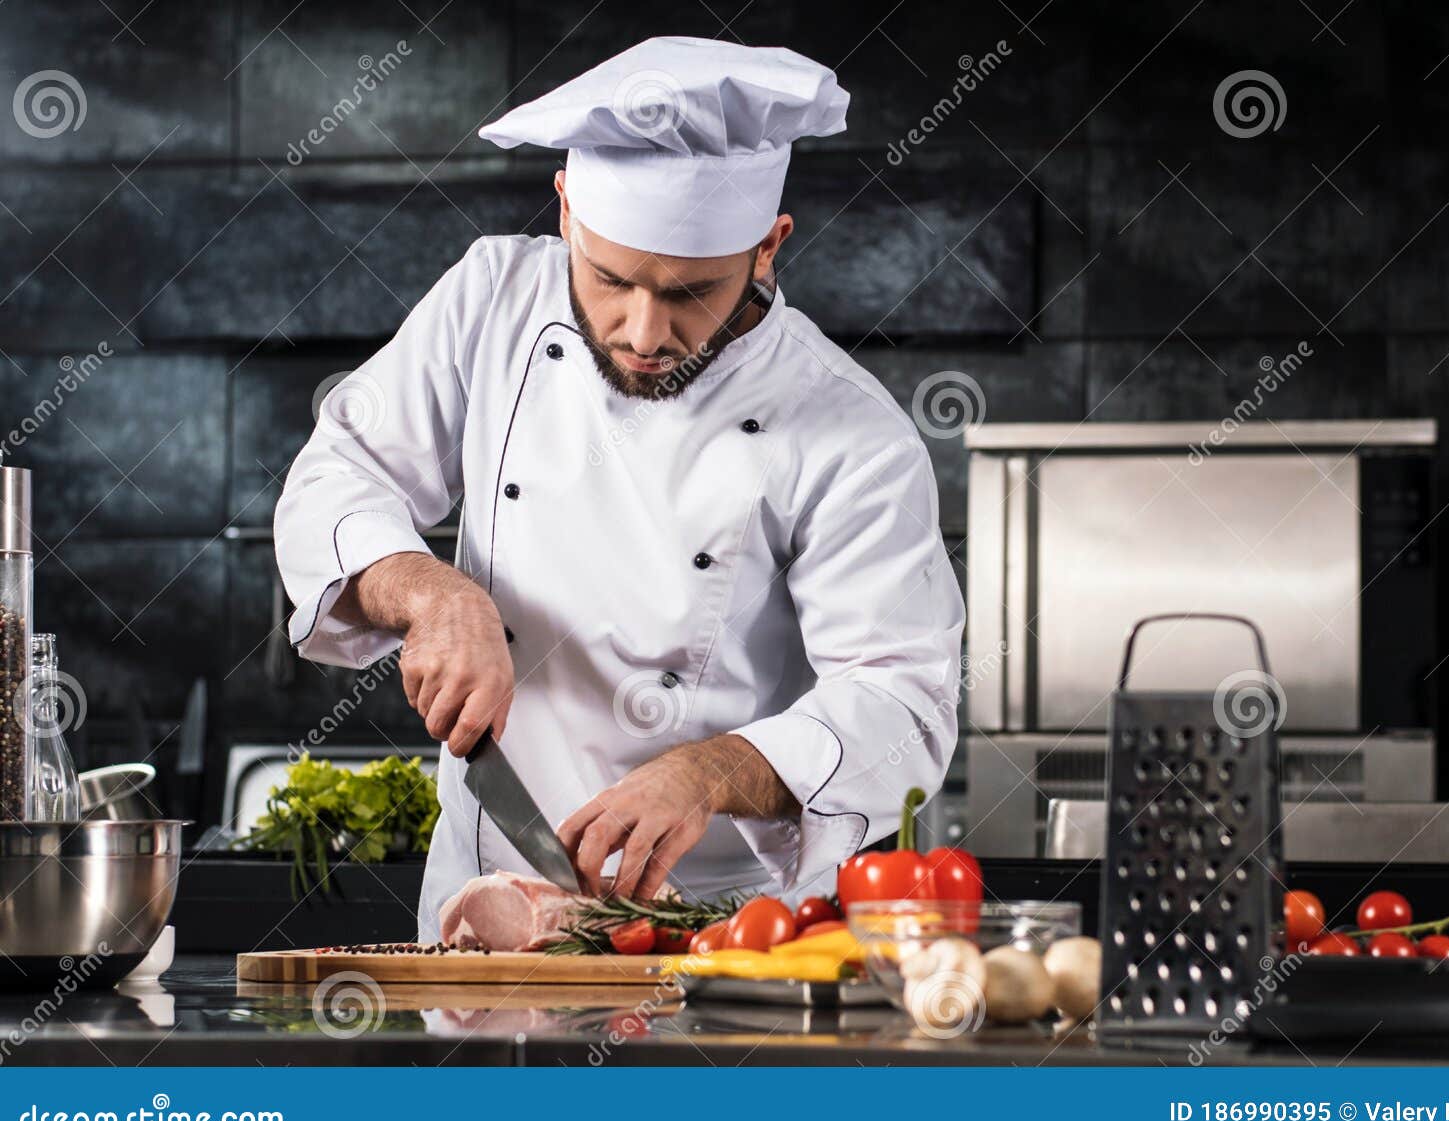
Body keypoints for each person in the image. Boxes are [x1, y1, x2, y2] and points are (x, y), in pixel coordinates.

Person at [274, 37, 965, 940]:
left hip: (720, 920)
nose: (644, 331)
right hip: (489, 908)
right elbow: (338, 472)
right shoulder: (490, 302)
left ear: (768, 247)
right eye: (610, 279)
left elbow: (903, 700)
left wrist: (709, 772)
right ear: (565, 210)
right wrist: (430, 593)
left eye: (691, 292)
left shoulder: (850, 430)